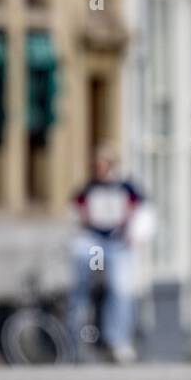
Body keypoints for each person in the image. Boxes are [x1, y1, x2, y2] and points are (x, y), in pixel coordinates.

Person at [69, 146, 143, 364]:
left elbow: (142, 213)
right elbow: (75, 211)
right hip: (94, 244)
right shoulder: (89, 189)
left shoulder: (126, 188)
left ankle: (117, 340)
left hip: (117, 244)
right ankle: (77, 335)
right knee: (84, 283)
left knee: (119, 289)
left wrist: (134, 233)